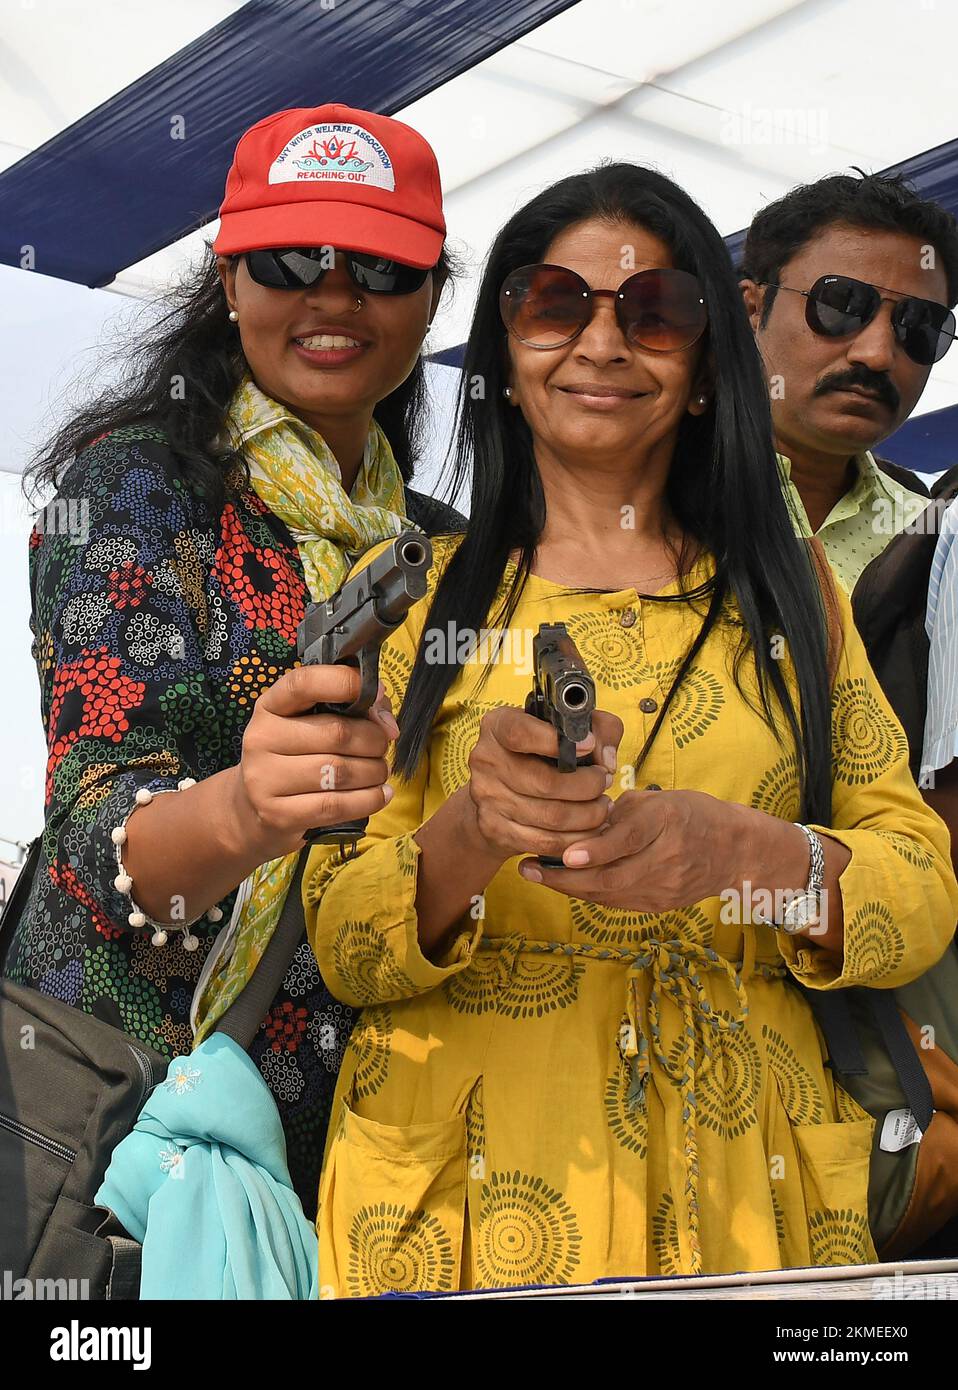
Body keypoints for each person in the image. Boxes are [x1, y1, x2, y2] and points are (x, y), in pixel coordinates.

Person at [303, 162, 958, 1295]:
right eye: (556, 304)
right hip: (467, 1191)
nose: (603, 344)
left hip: (749, 1186)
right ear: (504, 357)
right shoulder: (415, 598)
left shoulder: (796, 594)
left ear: (707, 368)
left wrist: (756, 858)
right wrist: (471, 831)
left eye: (653, 312)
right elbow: (343, 945)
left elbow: (920, 891)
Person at [9, 102, 463, 1216]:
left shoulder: (449, 547)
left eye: (379, 269)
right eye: (289, 257)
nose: (333, 296)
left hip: (371, 1141)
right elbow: (97, 837)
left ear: (431, 298)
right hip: (141, 1133)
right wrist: (250, 812)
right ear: (227, 278)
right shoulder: (134, 488)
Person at [740, 171, 958, 595]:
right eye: (839, 305)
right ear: (752, 307)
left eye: (918, 325)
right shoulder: (635, 493)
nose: (876, 354)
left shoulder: (934, 544)